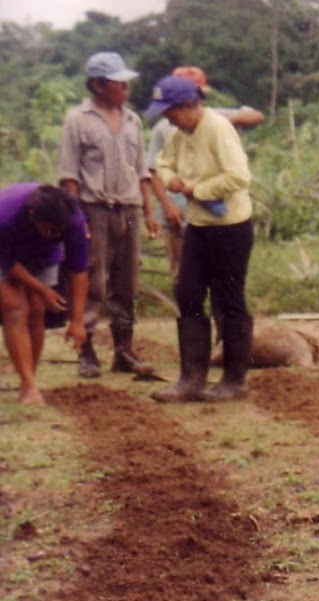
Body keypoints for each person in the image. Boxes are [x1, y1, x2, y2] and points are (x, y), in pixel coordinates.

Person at [147, 73, 256, 403]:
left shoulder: (217, 128)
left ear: (191, 104)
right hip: (199, 224)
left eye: (172, 111)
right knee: (188, 293)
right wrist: (173, 180)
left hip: (231, 227)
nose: (168, 118)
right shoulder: (182, 132)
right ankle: (191, 379)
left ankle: (234, 381)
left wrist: (197, 189)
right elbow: (161, 163)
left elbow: (239, 176)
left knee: (228, 298)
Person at [57, 51, 158, 378]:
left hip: (128, 208)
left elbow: (142, 169)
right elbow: (69, 174)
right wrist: (77, 219)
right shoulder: (78, 120)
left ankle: (123, 350)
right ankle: (85, 350)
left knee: (126, 280)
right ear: (99, 85)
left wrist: (149, 210)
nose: (126, 90)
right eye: (119, 84)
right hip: (93, 208)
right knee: (92, 279)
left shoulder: (133, 121)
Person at [147, 66, 264, 286]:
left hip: (223, 215)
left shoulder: (217, 122)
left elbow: (257, 116)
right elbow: (157, 166)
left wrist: (231, 121)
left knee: (224, 288)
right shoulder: (168, 128)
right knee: (185, 282)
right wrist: (168, 197)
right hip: (183, 212)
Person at [0, 184, 89, 405]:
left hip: (43, 256)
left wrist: (77, 321)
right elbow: (8, 264)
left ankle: (29, 378)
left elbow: (79, 271)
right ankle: (29, 386)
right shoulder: (6, 216)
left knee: (37, 310)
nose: (56, 235)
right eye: (50, 230)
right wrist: (42, 289)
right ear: (33, 215)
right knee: (14, 308)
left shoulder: (73, 220)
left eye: (60, 231)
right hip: (6, 253)